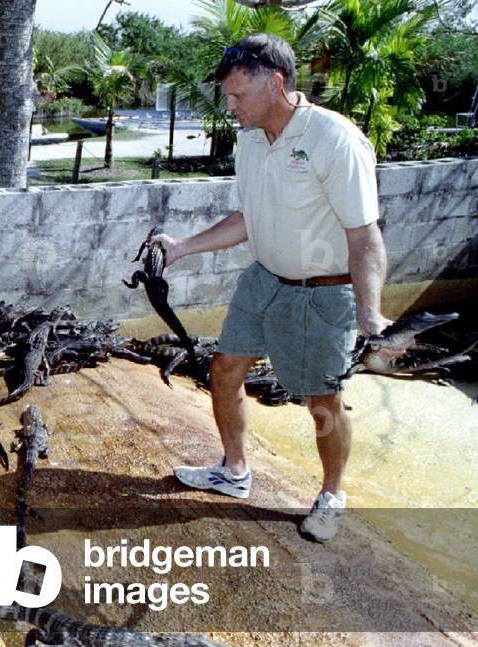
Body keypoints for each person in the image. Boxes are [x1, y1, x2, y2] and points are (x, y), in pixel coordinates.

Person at [154, 33, 402, 543]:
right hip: (264, 278)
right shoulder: (250, 139)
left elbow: (364, 235)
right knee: (224, 371)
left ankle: (332, 493)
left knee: (321, 401)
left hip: (322, 291)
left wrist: (370, 313)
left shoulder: (334, 139)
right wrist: (182, 247)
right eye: (227, 95)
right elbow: (247, 217)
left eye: (238, 95)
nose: (230, 105)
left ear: (276, 83)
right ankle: (235, 470)